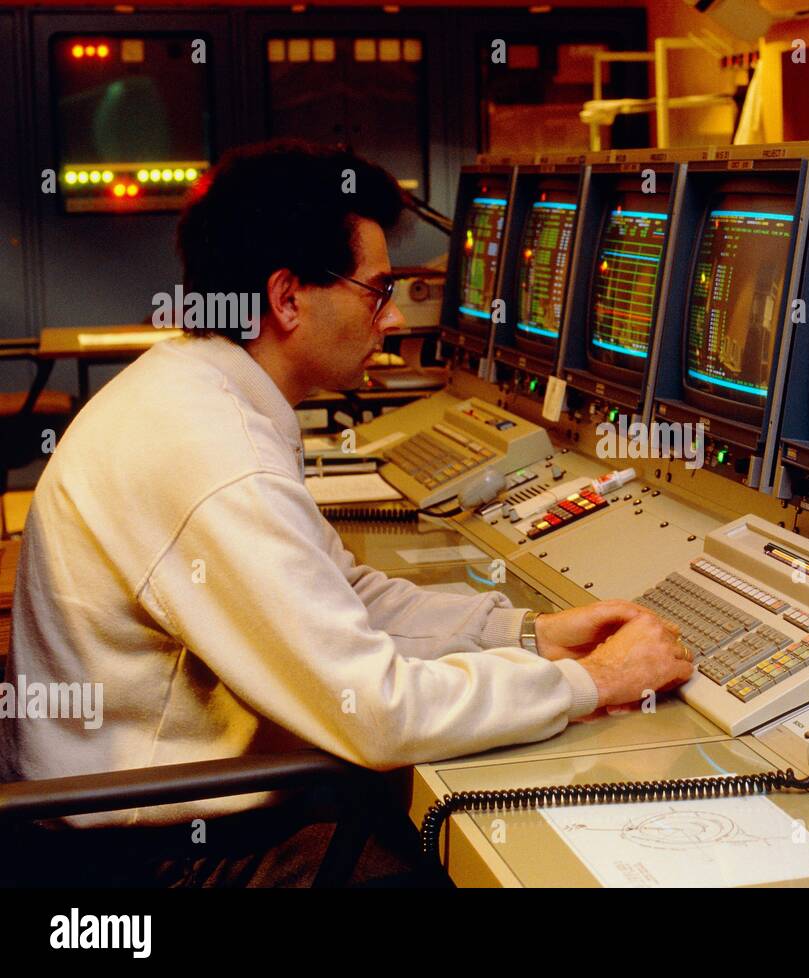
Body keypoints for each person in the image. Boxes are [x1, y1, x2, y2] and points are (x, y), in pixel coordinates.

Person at [0, 140, 693, 885]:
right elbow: (379, 714)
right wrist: (591, 684)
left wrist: (527, 634)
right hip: (150, 859)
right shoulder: (218, 455)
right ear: (288, 297)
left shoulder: (200, 393)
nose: (393, 319)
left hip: (152, 810)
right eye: (377, 290)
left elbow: (345, 598)